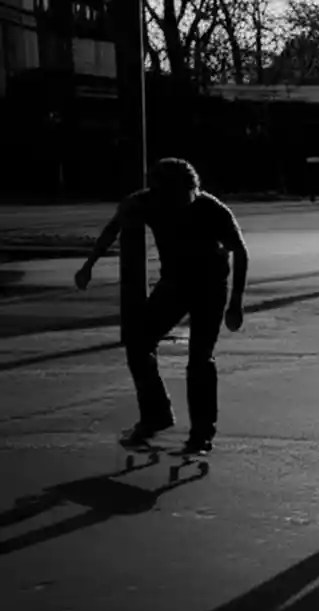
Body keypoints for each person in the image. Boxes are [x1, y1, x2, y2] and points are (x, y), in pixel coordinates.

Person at [75, 157, 249, 454]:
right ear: (160, 193)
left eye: (188, 196)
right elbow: (113, 228)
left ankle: (201, 434)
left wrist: (236, 303)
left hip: (210, 286)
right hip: (174, 284)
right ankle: (156, 414)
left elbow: (241, 253)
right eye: (175, 198)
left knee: (200, 358)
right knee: (138, 341)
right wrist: (89, 264)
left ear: (195, 188)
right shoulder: (144, 202)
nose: (183, 203)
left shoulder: (211, 208)